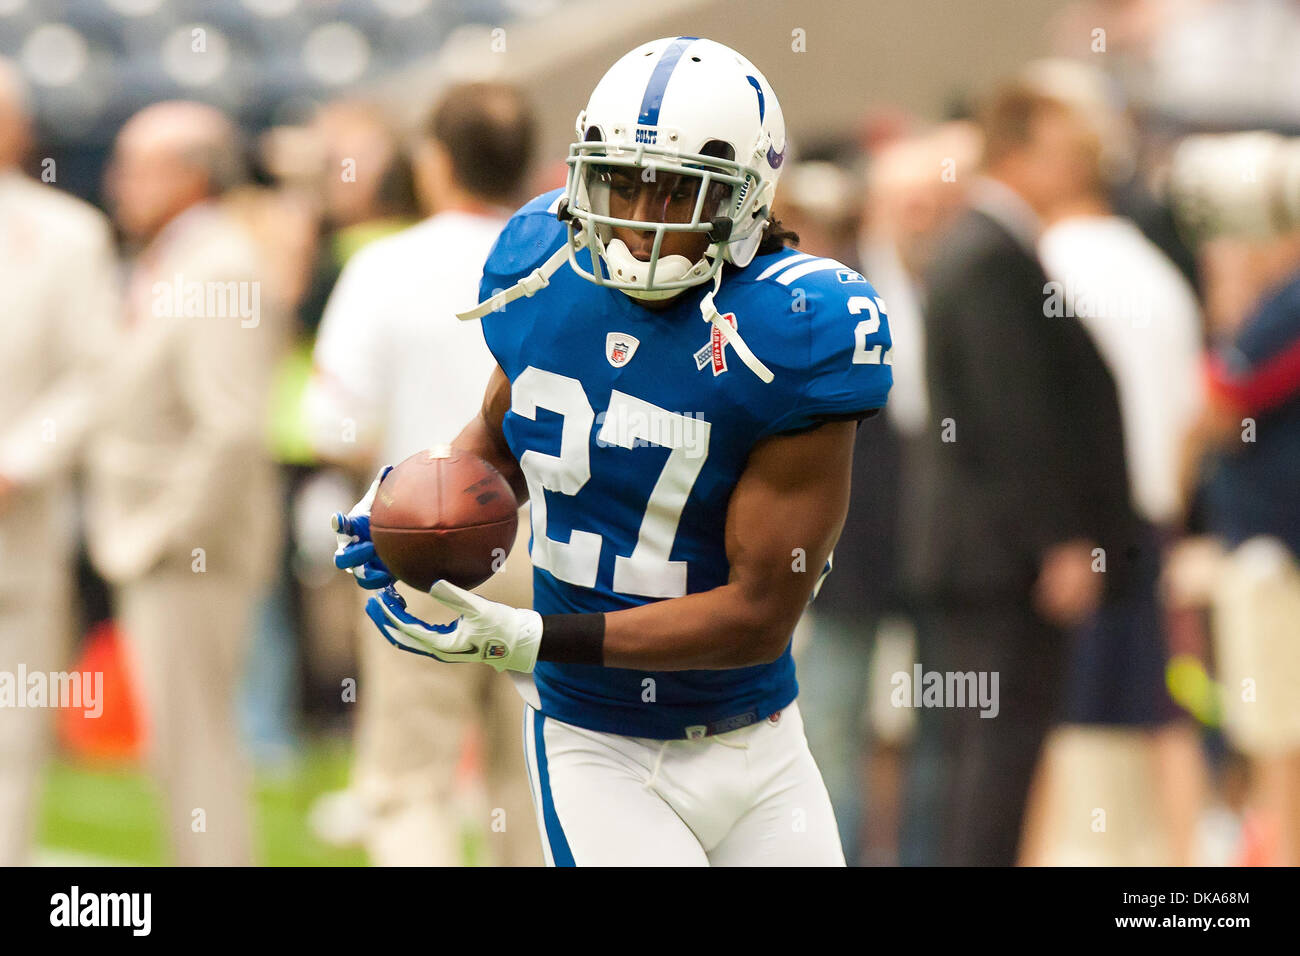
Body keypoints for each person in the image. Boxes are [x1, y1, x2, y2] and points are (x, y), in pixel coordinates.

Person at [331, 36, 893, 865]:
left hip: (759, 736)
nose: (636, 220)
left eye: (673, 192)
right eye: (619, 182)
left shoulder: (796, 328)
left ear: (746, 197)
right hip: (596, 742)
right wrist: (425, 503)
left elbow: (757, 617)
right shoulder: (542, 264)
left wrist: (533, 637)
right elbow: (500, 437)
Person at [905, 80, 1140, 866]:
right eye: (1064, 151)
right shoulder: (987, 256)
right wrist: (1060, 539)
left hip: (992, 553)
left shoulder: (991, 248)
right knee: (996, 760)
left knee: (993, 756)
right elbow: (1011, 420)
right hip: (1000, 558)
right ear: (1017, 152)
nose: (1080, 166)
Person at [306, 82, 541, 866]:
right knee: (534, 783)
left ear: (435, 161)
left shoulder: (384, 264)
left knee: (410, 784)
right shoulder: (564, 266)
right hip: (549, 546)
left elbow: (332, 423)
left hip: (421, 538)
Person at [89, 101, 284, 866]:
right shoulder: (177, 258)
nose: (118, 184)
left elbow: (231, 426)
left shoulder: (220, 264)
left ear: (193, 176)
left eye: (138, 167)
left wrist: (166, 533)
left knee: (198, 754)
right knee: (178, 754)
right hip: (165, 545)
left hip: (190, 551)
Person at [0, 57, 121, 866]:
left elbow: (96, 373)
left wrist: (19, 462)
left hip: (19, 523)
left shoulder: (69, 233)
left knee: (12, 729)